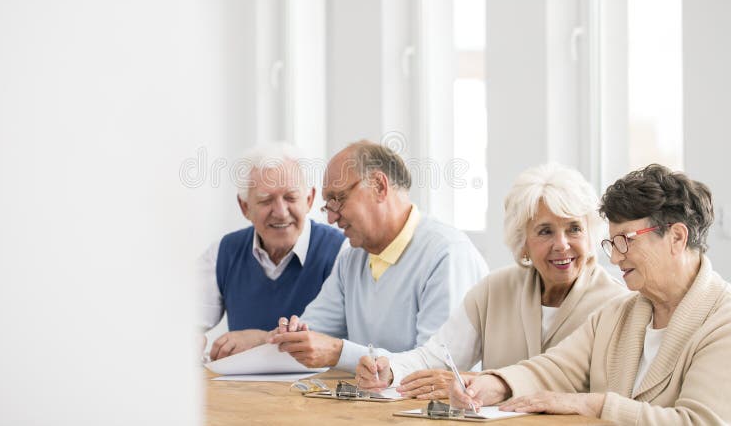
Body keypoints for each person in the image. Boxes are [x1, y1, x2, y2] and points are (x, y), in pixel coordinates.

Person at [451, 164, 731, 425]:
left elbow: (697, 421)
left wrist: (596, 406)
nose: (617, 258)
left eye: (626, 241)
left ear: (677, 238)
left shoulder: (723, 321)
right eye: (612, 243)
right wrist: (495, 385)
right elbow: (555, 368)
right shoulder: (617, 315)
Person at [356, 163, 628, 399]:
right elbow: (436, 357)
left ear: (590, 235)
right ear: (523, 243)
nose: (562, 244)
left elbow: (606, 397)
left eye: (574, 229)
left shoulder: (616, 304)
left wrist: (491, 385)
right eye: (545, 231)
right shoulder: (494, 289)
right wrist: (388, 369)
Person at [269, 140, 489, 373]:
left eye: (338, 199)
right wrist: (294, 337)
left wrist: (338, 353)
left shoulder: (447, 254)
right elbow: (315, 332)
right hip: (372, 406)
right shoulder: (351, 258)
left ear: (379, 186)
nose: (331, 218)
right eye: (327, 205)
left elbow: (436, 366)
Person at [198, 142, 346, 360]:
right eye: (266, 200)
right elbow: (180, 319)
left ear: (309, 199)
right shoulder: (223, 253)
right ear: (245, 207)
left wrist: (262, 340)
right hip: (245, 391)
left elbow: (345, 341)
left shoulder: (342, 251)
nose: (280, 211)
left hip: (319, 390)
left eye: (290, 197)